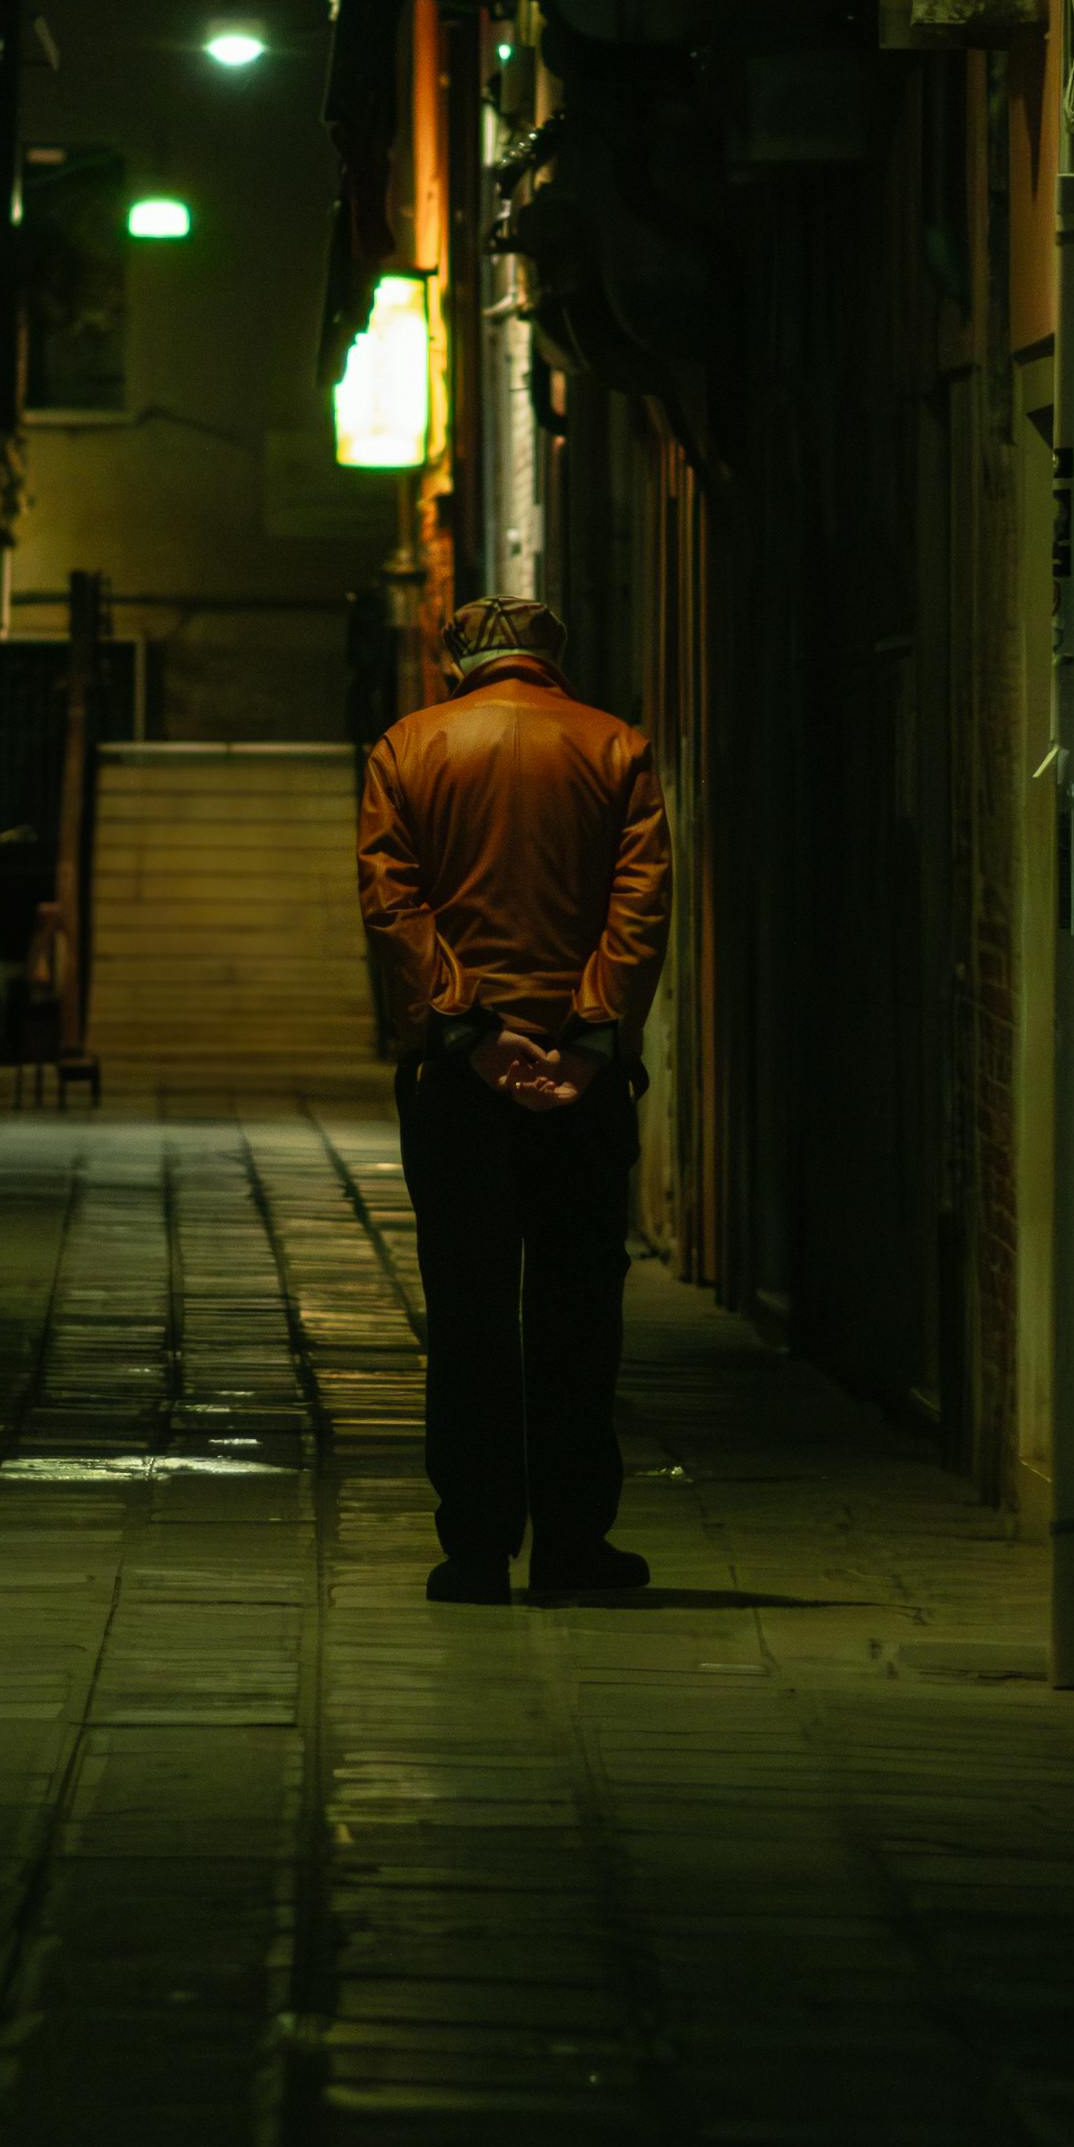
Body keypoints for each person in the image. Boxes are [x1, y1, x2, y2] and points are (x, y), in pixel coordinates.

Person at [356, 594, 671, 1605]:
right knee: (580, 1314)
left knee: (469, 1313)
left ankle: (477, 1545)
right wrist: (584, 1037)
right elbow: (638, 903)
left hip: (459, 1083)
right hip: (581, 1084)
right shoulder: (616, 747)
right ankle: (574, 1541)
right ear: (550, 661)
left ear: (460, 662)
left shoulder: (406, 748)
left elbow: (393, 901)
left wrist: (469, 1033)